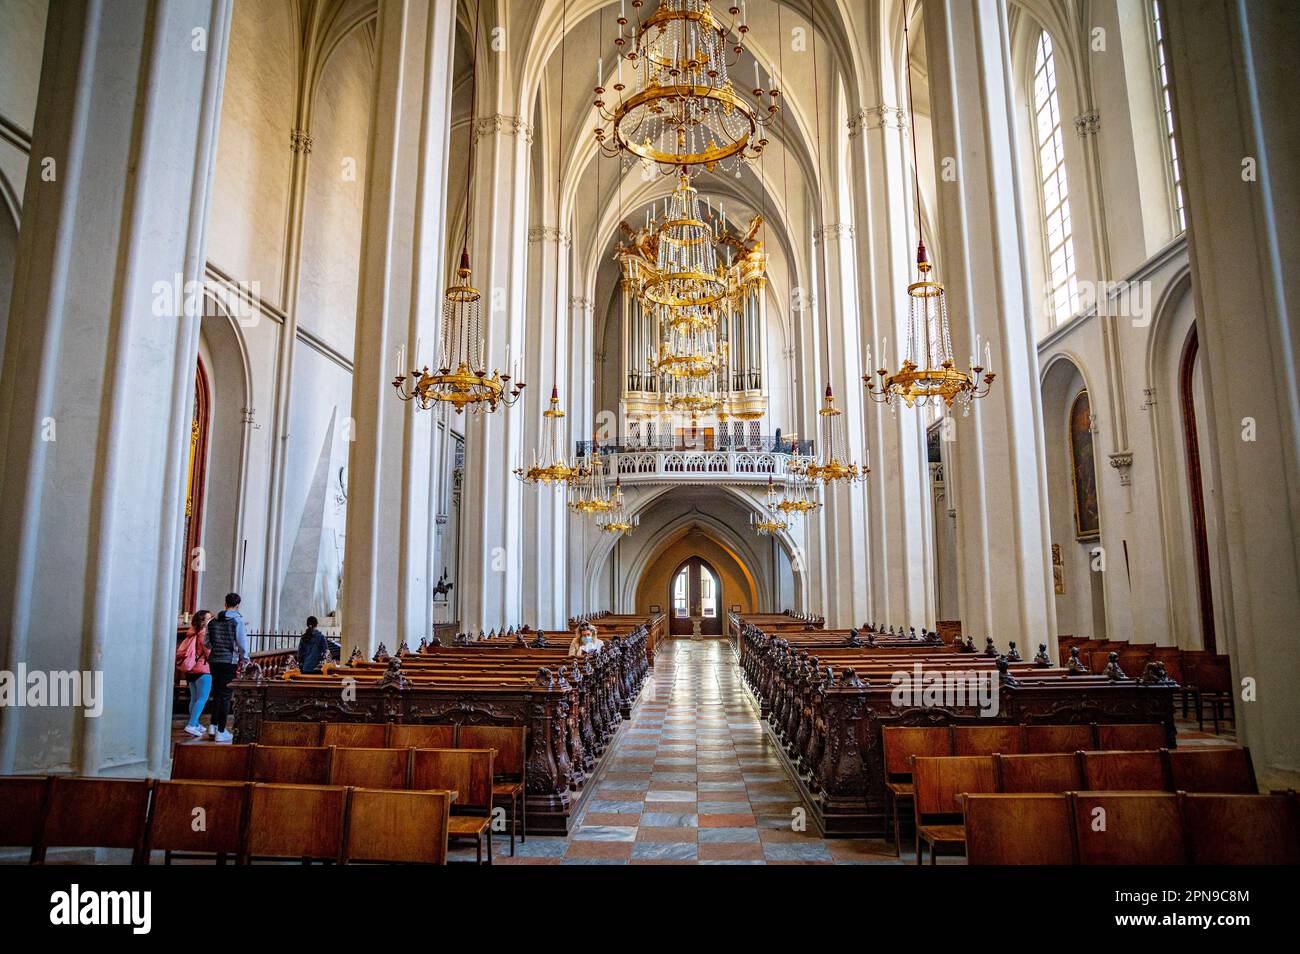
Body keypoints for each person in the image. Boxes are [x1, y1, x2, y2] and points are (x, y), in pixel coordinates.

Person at [203, 592, 249, 743]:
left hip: (214, 660)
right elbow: (241, 644)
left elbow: (206, 643)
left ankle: (213, 726)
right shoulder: (237, 621)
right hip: (229, 660)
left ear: (225, 604)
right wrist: (245, 658)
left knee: (216, 694)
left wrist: (217, 646)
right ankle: (221, 731)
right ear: (237, 605)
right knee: (225, 696)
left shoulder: (213, 621)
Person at [177, 610, 212, 737]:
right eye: (208, 619)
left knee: (194, 698)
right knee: (202, 698)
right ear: (202, 621)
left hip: (190, 669)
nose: (210, 620)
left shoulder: (192, 632)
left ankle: (195, 723)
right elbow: (208, 653)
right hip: (202, 669)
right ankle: (191, 724)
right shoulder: (204, 633)